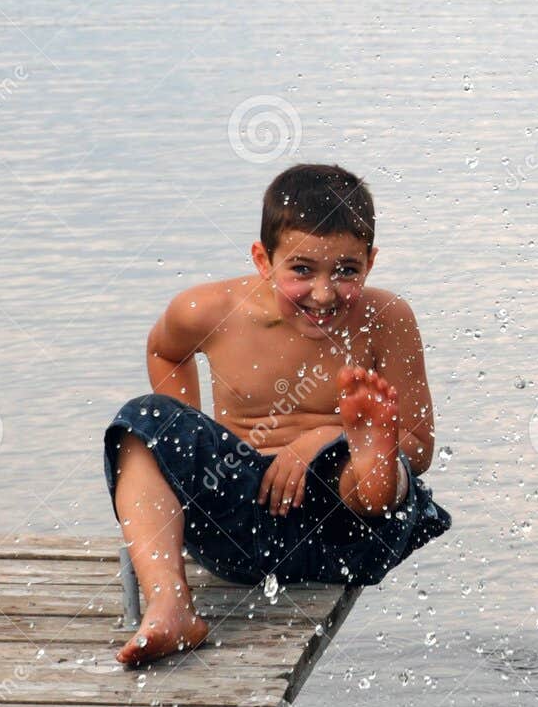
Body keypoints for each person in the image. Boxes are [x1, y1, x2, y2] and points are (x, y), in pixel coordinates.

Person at [103, 163, 451, 667]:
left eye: (347, 271)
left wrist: (325, 436)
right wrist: (190, 436)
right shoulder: (208, 310)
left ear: (371, 262)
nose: (325, 293)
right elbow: (165, 349)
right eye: (302, 270)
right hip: (242, 523)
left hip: (350, 532)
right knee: (142, 421)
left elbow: (419, 450)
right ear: (263, 260)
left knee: (376, 461)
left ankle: (366, 450)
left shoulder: (387, 318)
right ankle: (170, 602)